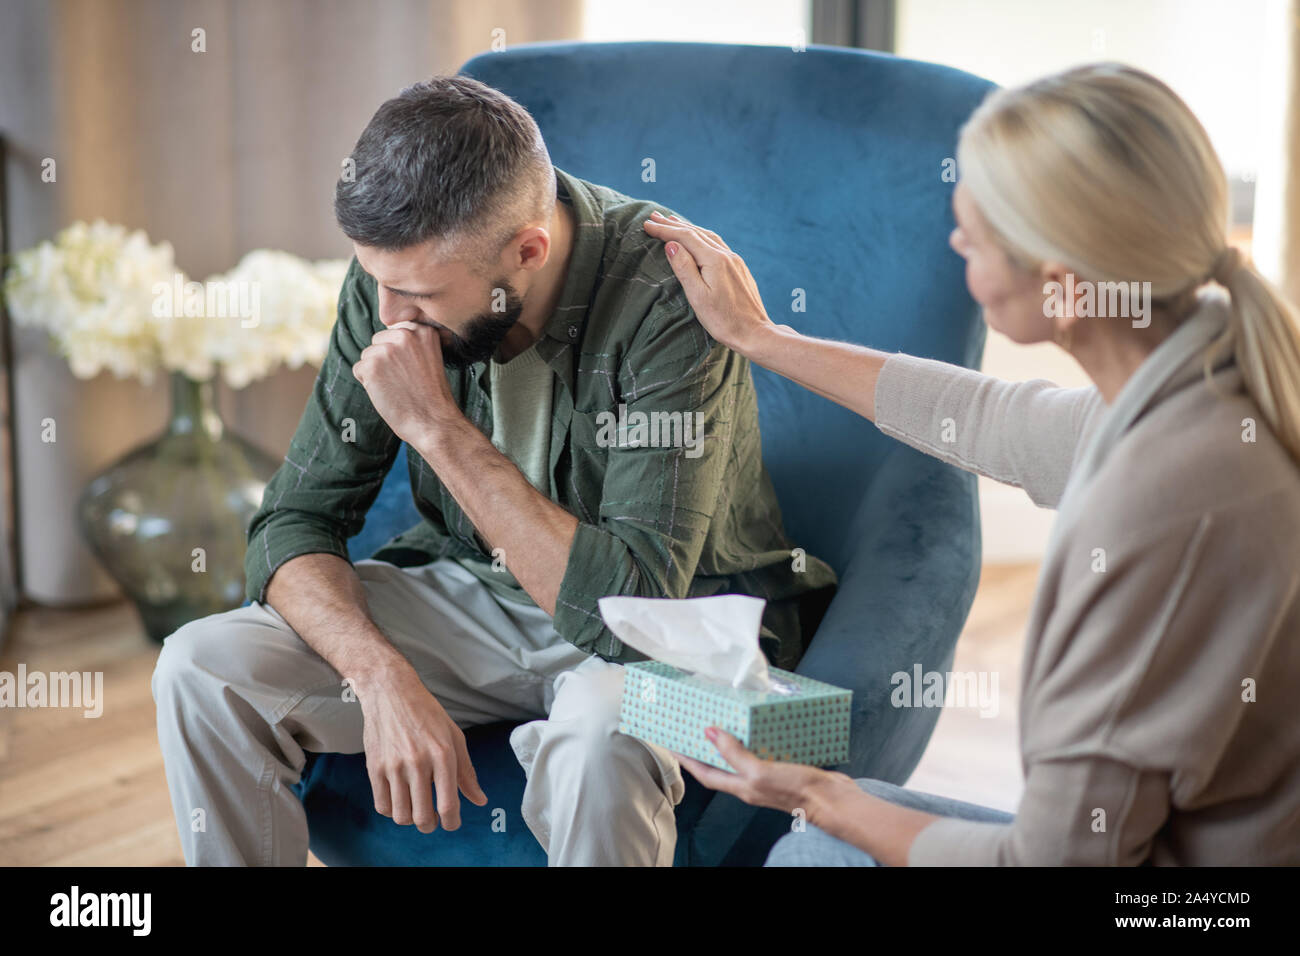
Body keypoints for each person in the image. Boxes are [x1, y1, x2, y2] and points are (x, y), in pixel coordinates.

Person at [151, 74, 836, 866]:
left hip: (671, 627)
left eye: (419, 295)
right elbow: (294, 520)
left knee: (595, 740)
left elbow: (631, 600)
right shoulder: (396, 276)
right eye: (378, 283)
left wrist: (438, 430)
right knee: (202, 668)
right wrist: (381, 676)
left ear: (529, 251)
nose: (391, 318)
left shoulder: (669, 298)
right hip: (477, 593)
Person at [642, 62, 1300, 866]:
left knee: (811, 850)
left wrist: (817, 793)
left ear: (1060, 287)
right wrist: (763, 339)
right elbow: (988, 417)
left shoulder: (1155, 506)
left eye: (976, 235)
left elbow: (1059, 861)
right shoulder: (1210, 375)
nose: (954, 242)